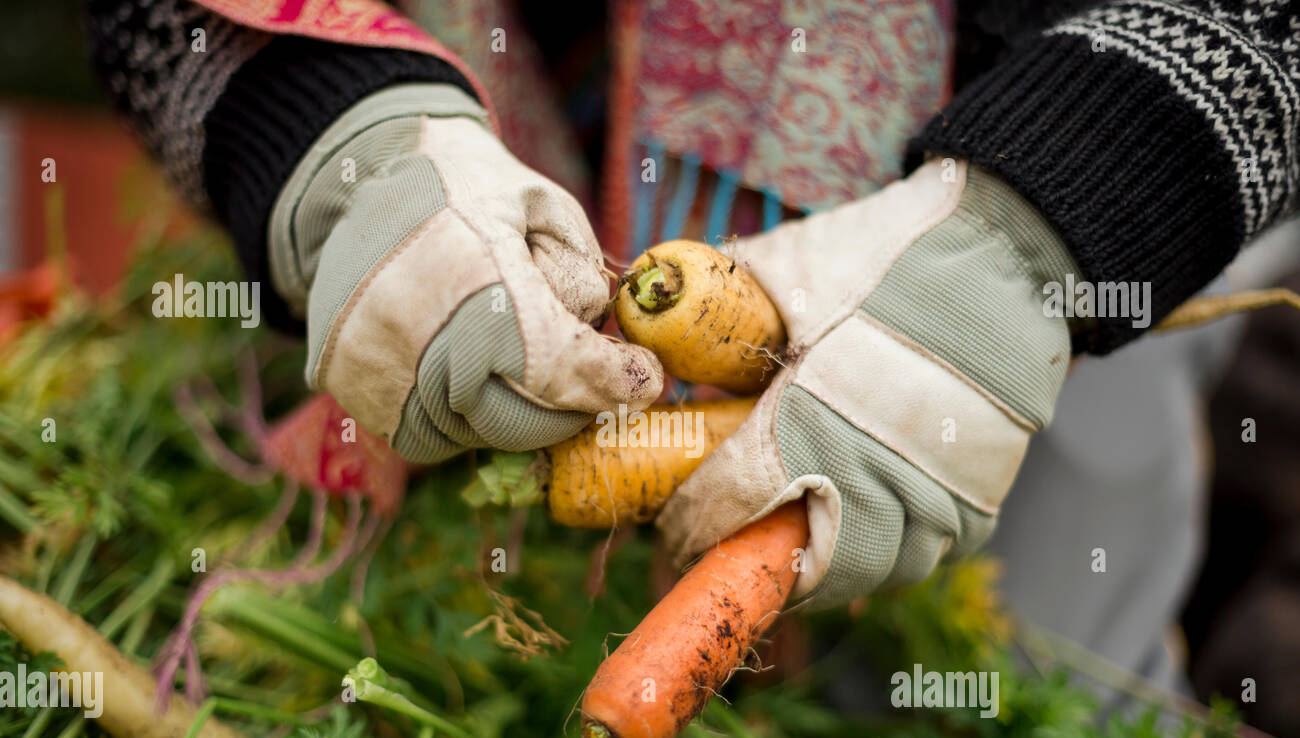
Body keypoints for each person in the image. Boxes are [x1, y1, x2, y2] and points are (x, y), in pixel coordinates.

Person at [83, 1, 1299, 675]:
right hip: (468, 143)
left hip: (1075, 213)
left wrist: (1042, 228)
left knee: (1020, 679)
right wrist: (321, 126)